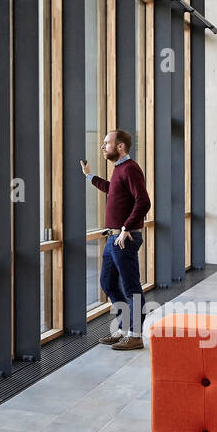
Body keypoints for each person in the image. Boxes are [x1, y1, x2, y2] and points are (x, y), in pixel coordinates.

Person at [79, 128, 151, 351]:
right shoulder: (119, 169)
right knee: (108, 282)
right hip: (113, 239)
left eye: (107, 143)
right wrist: (90, 176)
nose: (103, 146)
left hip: (124, 239)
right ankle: (124, 329)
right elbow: (114, 190)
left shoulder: (130, 168)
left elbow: (144, 202)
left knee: (131, 288)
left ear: (120, 147)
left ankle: (135, 335)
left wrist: (126, 228)